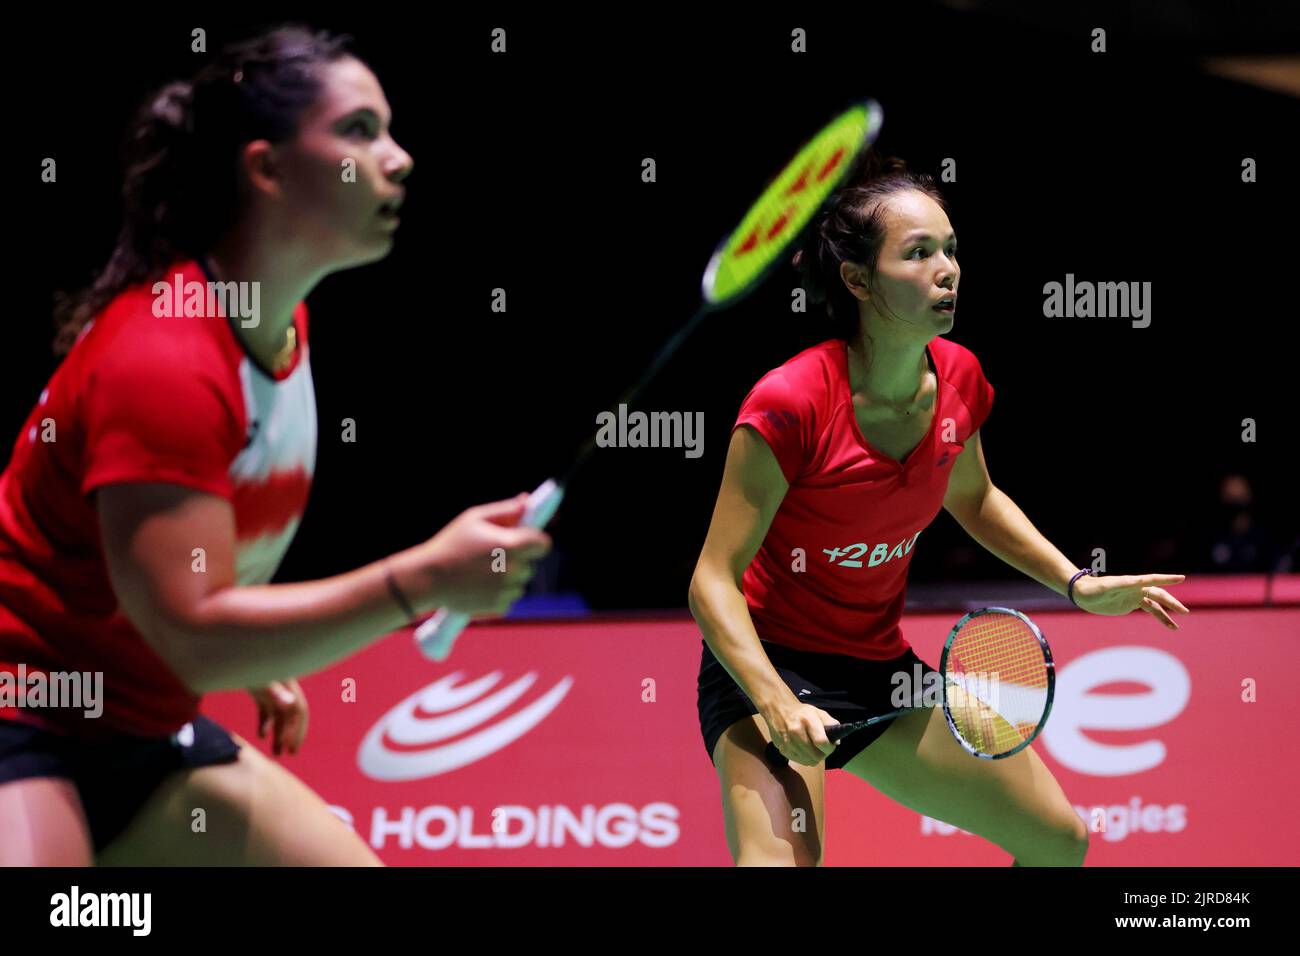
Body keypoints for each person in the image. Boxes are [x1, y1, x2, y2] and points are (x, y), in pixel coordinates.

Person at [0, 24, 550, 865]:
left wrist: (253, 653)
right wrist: (421, 579)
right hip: (24, 721)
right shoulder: (163, 359)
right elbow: (194, 632)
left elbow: (179, 576)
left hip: (140, 727)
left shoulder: (276, 322)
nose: (398, 158)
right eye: (360, 131)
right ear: (266, 167)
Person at [687, 153, 1190, 867]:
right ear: (858, 280)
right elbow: (712, 579)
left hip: (877, 670)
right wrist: (775, 701)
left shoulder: (958, 378)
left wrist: (1076, 583)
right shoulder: (791, 403)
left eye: (950, 249)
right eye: (918, 253)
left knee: (1057, 842)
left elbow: (975, 498)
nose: (947, 269)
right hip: (770, 668)